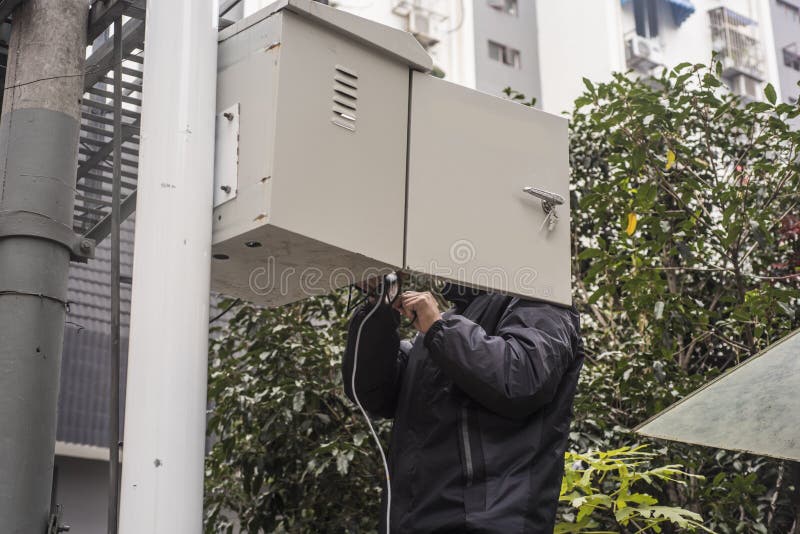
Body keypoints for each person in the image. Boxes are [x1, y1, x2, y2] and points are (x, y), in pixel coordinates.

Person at [342, 280, 584, 533]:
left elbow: (521, 380)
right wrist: (379, 305)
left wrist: (440, 329)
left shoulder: (543, 299)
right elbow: (369, 391)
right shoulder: (441, 326)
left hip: (488, 523)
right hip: (412, 521)